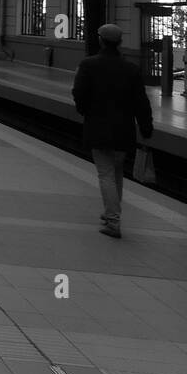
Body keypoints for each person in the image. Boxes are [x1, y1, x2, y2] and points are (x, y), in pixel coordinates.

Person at [72, 23, 154, 239]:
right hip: (123, 130)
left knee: (106, 174)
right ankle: (112, 212)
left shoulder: (89, 65)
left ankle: (113, 220)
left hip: (98, 128)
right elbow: (141, 102)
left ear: (100, 40)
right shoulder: (131, 69)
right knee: (117, 172)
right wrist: (146, 127)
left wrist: (84, 110)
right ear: (119, 42)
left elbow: (78, 93)